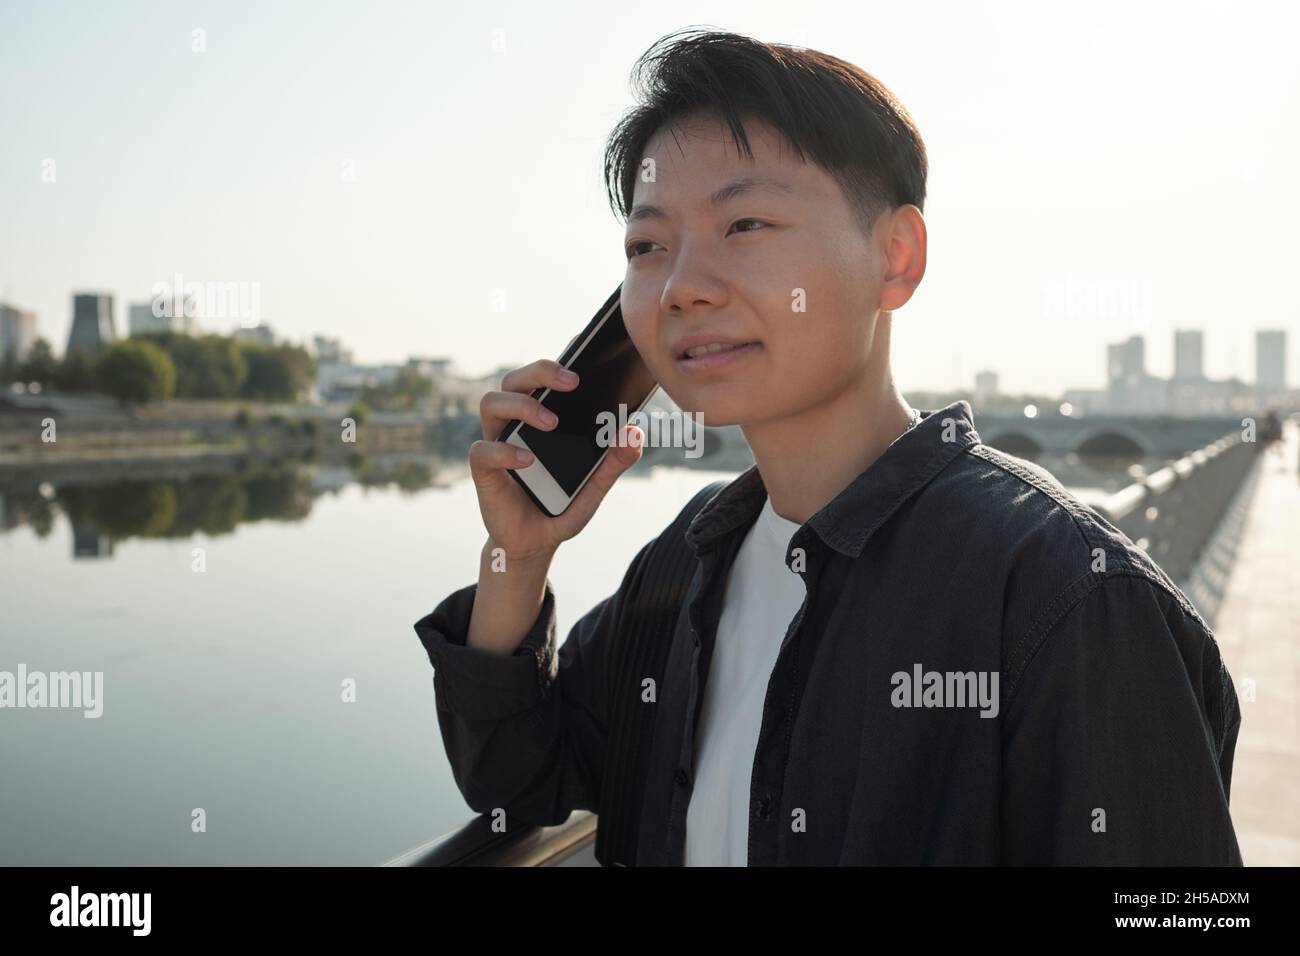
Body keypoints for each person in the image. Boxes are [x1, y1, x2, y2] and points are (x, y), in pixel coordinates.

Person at [414, 28, 1243, 866]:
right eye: (646, 246)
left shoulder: (1062, 595)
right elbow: (521, 782)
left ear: (896, 257)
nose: (681, 286)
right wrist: (515, 561)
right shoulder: (689, 559)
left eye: (745, 223)